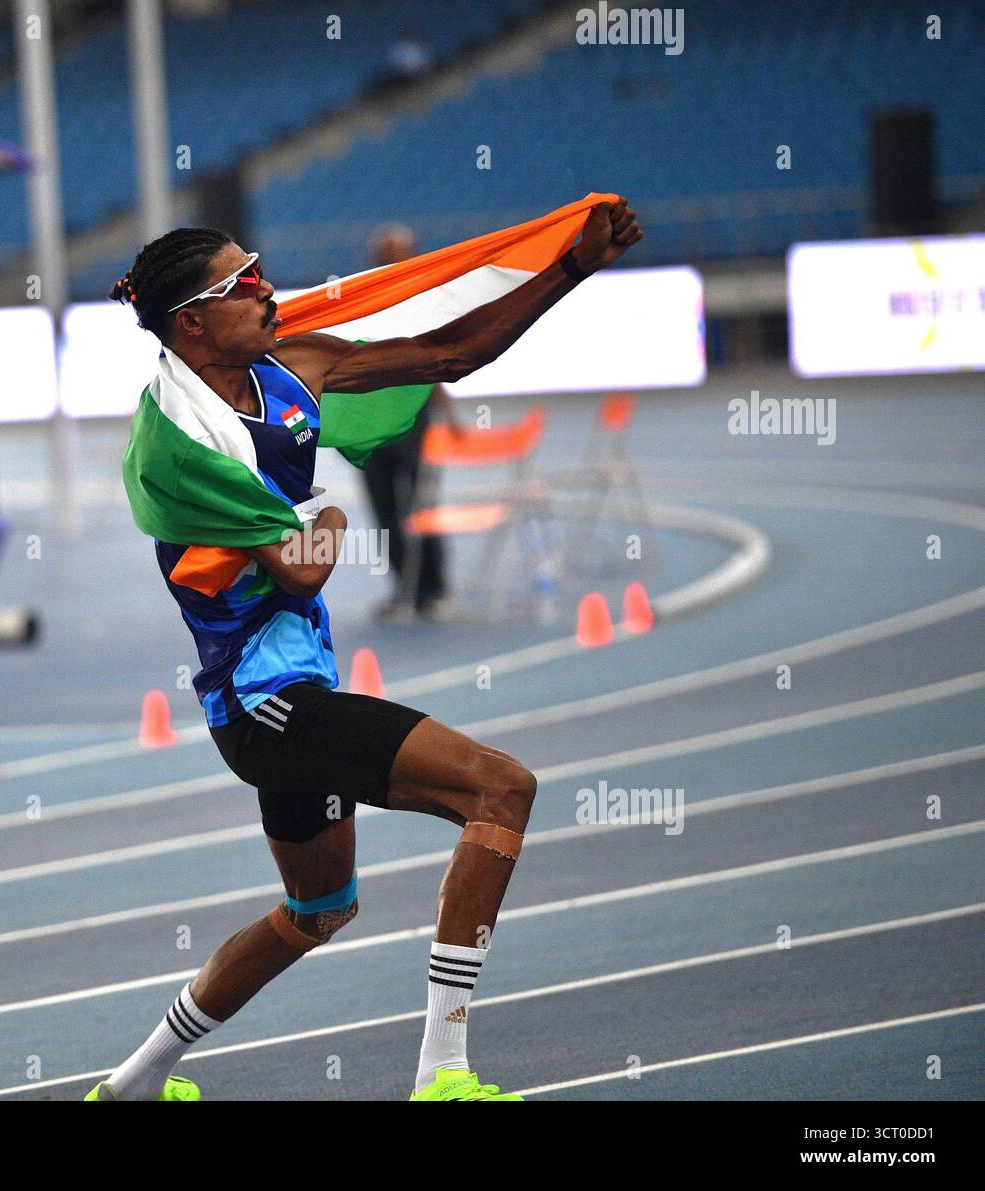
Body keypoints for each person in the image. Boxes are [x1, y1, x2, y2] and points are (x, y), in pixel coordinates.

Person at [94, 199, 642, 1102]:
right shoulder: (175, 442)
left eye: (261, 269)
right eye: (246, 284)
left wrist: (567, 269)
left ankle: (125, 1089)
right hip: (267, 701)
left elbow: (449, 355)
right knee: (501, 787)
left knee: (320, 907)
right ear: (191, 321)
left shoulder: (290, 365)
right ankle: (445, 1075)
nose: (271, 292)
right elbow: (302, 570)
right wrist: (335, 514)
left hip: (290, 683)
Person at [360, 223, 460, 621]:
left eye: (399, 251)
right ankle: (404, 588)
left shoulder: (423, 303)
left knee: (420, 504)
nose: (392, 258)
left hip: (412, 421)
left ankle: (433, 587)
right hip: (369, 425)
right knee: (383, 509)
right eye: (386, 252)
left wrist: (448, 416)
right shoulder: (361, 302)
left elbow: (433, 364)